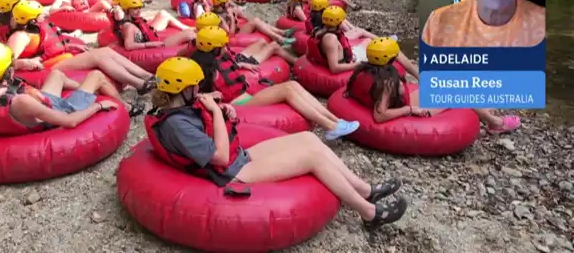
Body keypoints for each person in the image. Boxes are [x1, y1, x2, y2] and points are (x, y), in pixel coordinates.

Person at [146, 57, 408, 227]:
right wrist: (215, 113)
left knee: (307, 138)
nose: (199, 89)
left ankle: (365, 190)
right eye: (195, 86)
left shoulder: (181, 109)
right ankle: (369, 213)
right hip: (232, 172)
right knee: (313, 158)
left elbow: (210, 131)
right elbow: (221, 158)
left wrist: (223, 110)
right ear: (183, 89)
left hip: (239, 156)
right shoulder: (177, 125)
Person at [190, 27, 356, 138]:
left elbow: (228, 66)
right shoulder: (202, 68)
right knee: (288, 90)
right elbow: (194, 95)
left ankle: (336, 120)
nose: (227, 45)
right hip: (238, 104)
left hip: (245, 95)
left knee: (294, 85)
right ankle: (330, 126)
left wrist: (241, 64)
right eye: (223, 44)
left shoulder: (215, 58)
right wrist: (211, 96)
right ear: (215, 48)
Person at [0, 41, 150, 131]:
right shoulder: (21, 101)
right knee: (97, 75)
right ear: (7, 72)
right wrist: (98, 106)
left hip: (39, 105)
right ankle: (126, 107)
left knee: (57, 74)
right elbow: (68, 122)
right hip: (55, 111)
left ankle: (82, 89)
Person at [346, 37, 520, 133]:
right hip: (410, 106)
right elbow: (380, 116)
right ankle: (495, 123)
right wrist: (409, 110)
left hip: (402, 99)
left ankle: (483, 110)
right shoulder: (387, 81)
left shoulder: (363, 69)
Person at [4, 0, 157, 94]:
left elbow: (52, 45)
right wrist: (26, 63)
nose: (44, 14)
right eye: (40, 13)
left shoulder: (37, 28)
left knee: (105, 51)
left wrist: (69, 47)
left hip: (57, 59)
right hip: (46, 67)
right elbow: (7, 64)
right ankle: (140, 84)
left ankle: (147, 76)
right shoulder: (20, 36)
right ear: (31, 20)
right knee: (97, 55)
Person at [307, 6, 419, 78]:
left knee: (368, 40)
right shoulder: (331, 38)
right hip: (351, 61)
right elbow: (334, 68)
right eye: (342, 21)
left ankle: (405, 59)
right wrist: (360, 64)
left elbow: (309, 54)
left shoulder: (317, 31)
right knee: (395, 51)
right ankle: (419, 77)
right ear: (338, 23)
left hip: (350, 55)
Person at [114, 0, 195, 50]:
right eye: (135, 9)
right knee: (189, 34)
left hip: (148, 38)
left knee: (163, 14)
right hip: (154, 45)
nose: (139, 11)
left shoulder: (129, 20)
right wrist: (149, 45)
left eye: (139, 8)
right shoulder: (128, 26)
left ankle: (188, 28)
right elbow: (128, 46)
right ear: (126, 10)